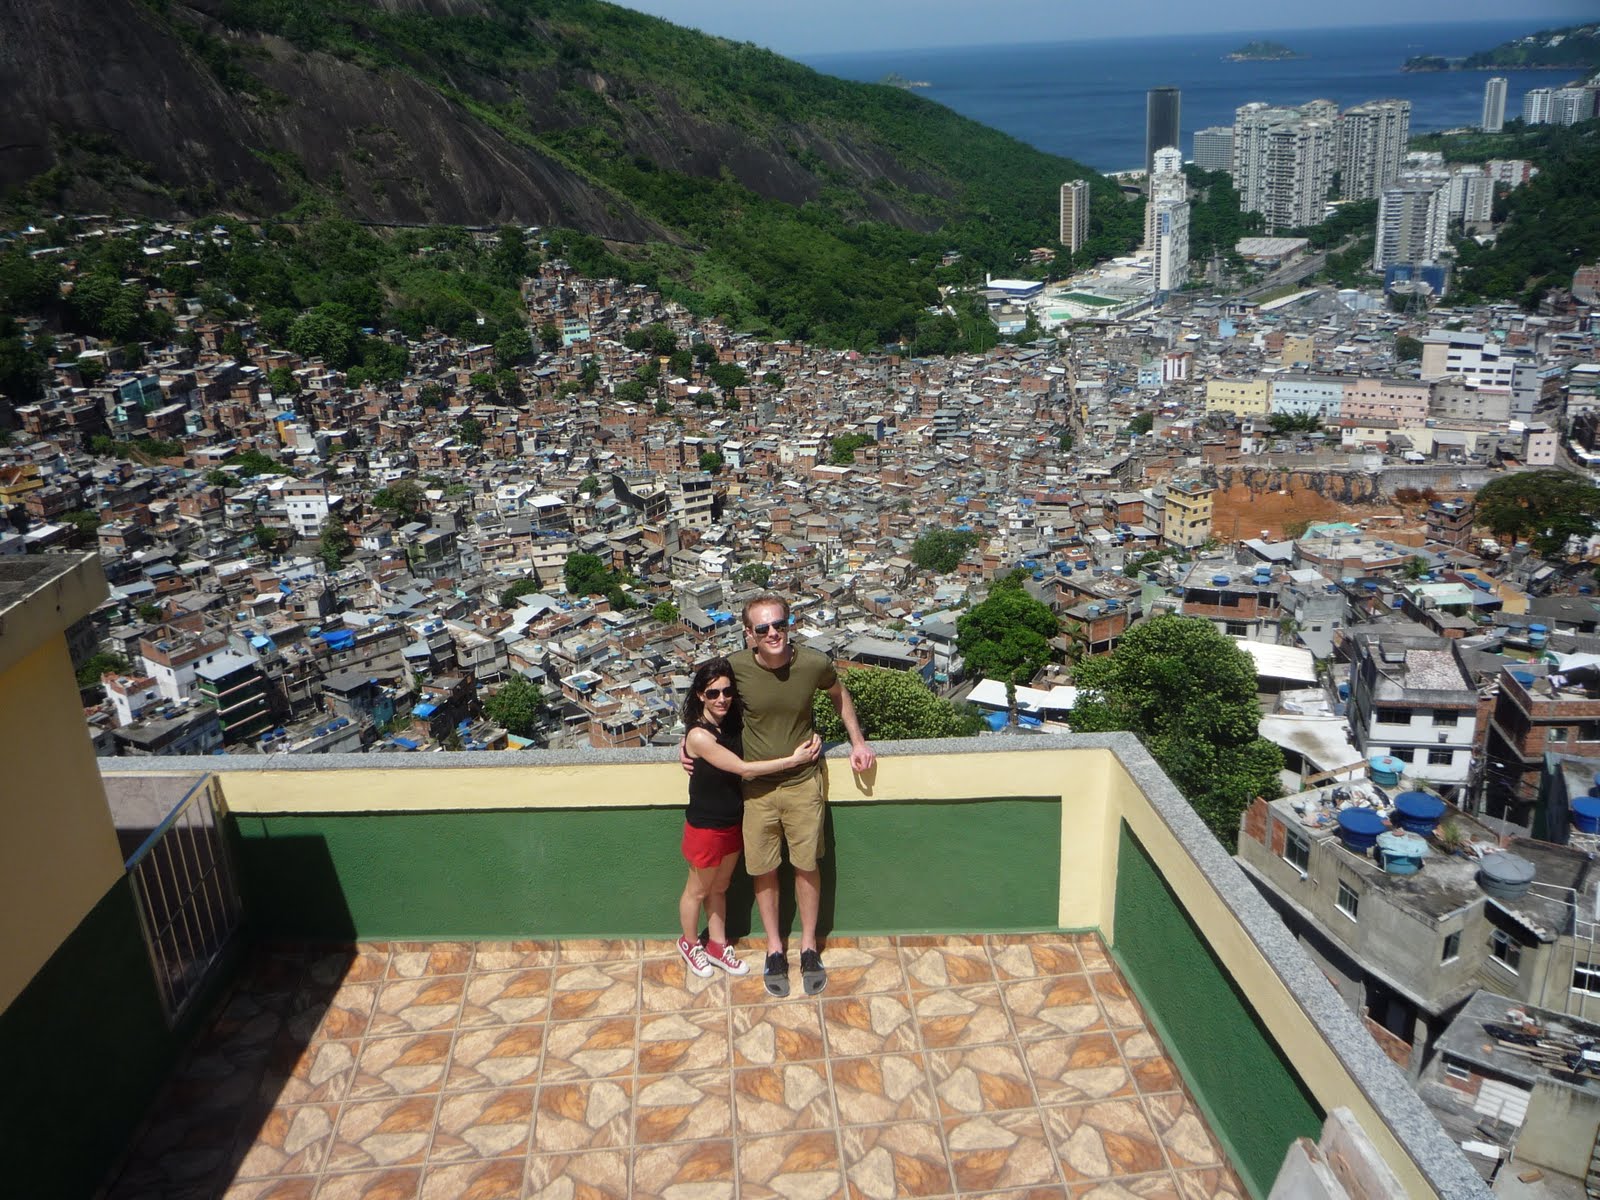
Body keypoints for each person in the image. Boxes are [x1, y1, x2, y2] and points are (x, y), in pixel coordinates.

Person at [718, 594, 874, 997]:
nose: (773, 634)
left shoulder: (812, 663)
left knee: (806, 865)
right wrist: (690, 744)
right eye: (762, 628)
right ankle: (774, 948)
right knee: (764, 868)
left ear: (790, 624)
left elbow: (839, 694)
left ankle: (807, 947)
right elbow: (706, 701)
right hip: (757, 788)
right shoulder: (733, 669)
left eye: (779, 625)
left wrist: (857, 742)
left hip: (804, 781)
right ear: (748, 634)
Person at [677, 656, 821, 980]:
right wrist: (793, 761)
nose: (722, 699)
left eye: (727, 692)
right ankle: (688, 943)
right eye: (713, 693)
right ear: (700, 694)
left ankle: (716, 944)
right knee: (697, 890)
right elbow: (743, 768)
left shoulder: (728, 722)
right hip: (706, 824)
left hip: (732, 819)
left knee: (720, 887)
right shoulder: (700, 735)